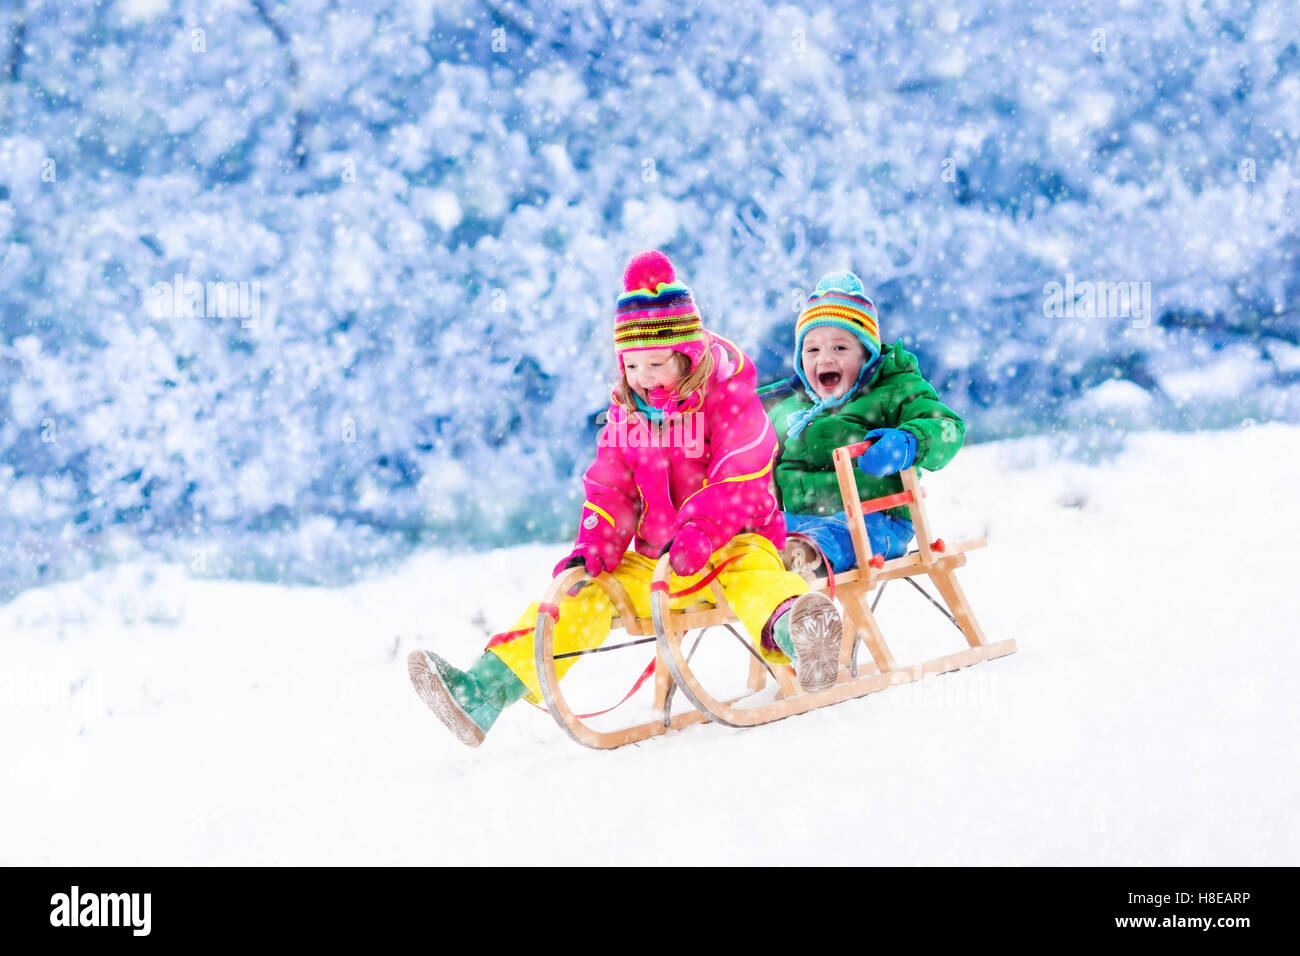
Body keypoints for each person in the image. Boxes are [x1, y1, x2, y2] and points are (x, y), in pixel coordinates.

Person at [408, 251, 842, 747]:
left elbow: (741, 474)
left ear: (688, 356)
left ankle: (802, 637)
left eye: (656, 363)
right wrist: (596, 543)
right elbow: (610, 488)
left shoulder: (731, 402)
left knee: (758, 581)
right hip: (658, 563)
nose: (643, 376)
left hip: (733, 545)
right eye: (632, 364)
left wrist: (700, 529)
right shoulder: (627, 419)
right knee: (583, 596)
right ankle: (482, 692)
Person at [760, 270, 966, 576]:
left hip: (879, 521)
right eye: (812, 349)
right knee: (757, 533)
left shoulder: (893, 389)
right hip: (802, 521)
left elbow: (948, 427)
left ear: (867, 355)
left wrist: (909, 442)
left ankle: (806, 556)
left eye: (840, 348)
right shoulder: (788, 407)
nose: (824, 359)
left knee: (848, 533)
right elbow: (739, 435)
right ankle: (770, 565)